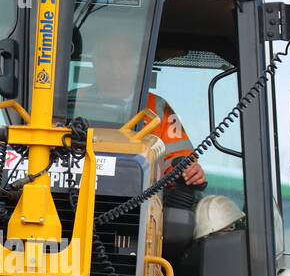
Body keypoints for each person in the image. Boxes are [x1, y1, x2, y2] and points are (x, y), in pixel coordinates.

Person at [76, 28, 206, 206]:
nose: (116, 68)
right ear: (94, 62)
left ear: (139, 64)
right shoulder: (73, 103)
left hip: (141, 209)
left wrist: (191, 171)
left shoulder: (159, 109)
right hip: (74, 198)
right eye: (107, 59)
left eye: (124, 59)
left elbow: (179, 163)